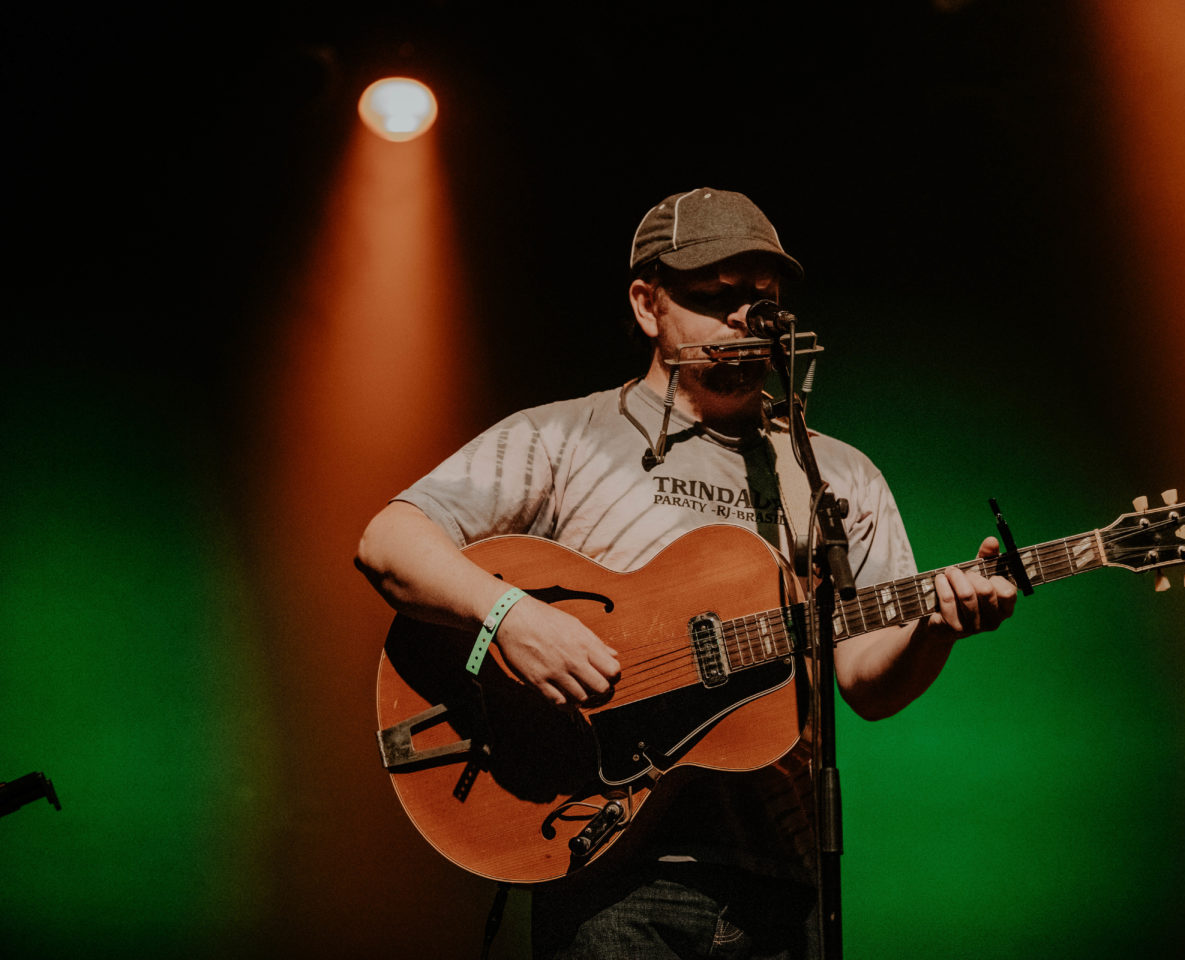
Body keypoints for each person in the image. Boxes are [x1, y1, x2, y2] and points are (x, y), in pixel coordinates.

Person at [355, 187, 1018, 959]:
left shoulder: (838, 475)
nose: (743, 320)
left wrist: (936, 628)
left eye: (761, 301)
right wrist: (511, 616)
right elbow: (389, 542)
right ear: (648, 304)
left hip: (778, 875)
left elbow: (866, 685)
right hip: (602, 861)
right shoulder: (562, 436)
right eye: (714, 298)